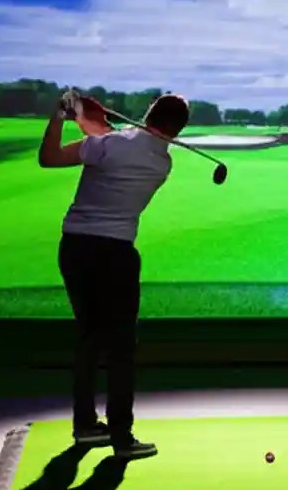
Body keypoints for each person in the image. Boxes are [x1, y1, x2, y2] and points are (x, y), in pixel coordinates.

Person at [38, 89, 189, 460]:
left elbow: (49, 157)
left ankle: (86, 426)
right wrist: (90, 120)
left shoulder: (106, 145)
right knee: (121, 348)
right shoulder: (161, 165)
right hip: (116, 254)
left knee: (89, 337)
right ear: (178, 130)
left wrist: (62, 115)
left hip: (74, 248)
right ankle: (121, 436)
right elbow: (106, 134)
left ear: (148, 112)